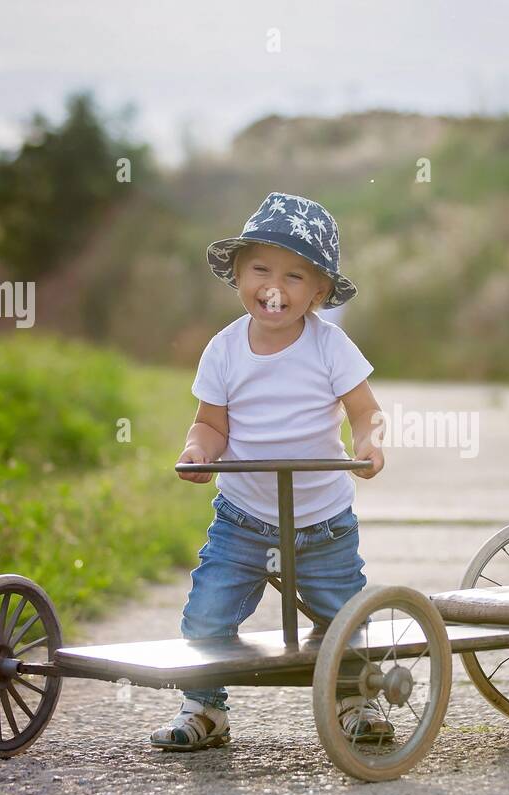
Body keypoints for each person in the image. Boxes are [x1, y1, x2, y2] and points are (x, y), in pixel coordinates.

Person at [150, 191, 388, 751]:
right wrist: (198, 453)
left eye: (295, 276)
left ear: (321, 292)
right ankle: (206, 709)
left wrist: (370, 443)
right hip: (244, 518)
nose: (274, 286)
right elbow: (210, 425)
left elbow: (365, 411)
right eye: (260, 269)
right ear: (237, 273)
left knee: (346, 619)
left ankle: (354, 699)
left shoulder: (332, 348)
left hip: (322, 521)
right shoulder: (224, 350)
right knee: (206, 615)